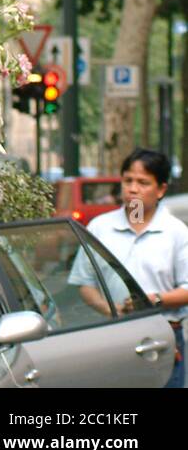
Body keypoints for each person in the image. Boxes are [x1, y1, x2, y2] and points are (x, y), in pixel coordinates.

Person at [69, 148, 188, 388]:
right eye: (128, 180)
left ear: (161, 189)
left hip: (161, 337)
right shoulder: (100, 227)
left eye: (143, 182)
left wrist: (153, 300)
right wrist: (109, 309)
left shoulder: (176, 233)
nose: (133, 189)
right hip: (111, 335)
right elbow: (85, 282)